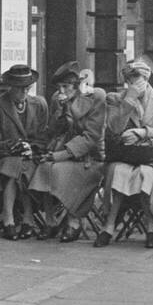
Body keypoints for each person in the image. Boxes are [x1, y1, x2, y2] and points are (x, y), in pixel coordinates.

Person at [95, 59, 153, 247]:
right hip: (125, 155)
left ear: (146, 78)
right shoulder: (115, 98)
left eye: (136, 78)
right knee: (119, 172)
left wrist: (143, 132)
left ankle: (151, 225)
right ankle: (109, 225)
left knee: (145, 174)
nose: (133, 82)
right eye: (129, 79)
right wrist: (129, 100)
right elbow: (113, 129)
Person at [27, 62, 107, 241]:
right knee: (44, 168)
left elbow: (90, 136)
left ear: (78, 85)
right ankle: (51, 220)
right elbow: (54, 130)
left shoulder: (96, 96)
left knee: (57, 169)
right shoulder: (58, 98)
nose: (62, 90)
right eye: (59, 86)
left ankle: (74, 221)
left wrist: (60, 155)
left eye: (66, 86)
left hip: (90, 156)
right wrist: (62, 110)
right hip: (64, 152)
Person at [0, 65, 49, 238]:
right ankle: (21, 218)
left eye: (27, 88)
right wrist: (12, 146)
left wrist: (30, 148)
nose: (25, 92)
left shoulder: (39, 104)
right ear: (10, 87)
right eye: (20, 88)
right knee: (15, 164)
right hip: (1, 161)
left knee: (21, 165)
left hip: (31, 158)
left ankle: (12, 219)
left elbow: (43, 139)